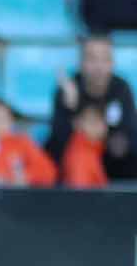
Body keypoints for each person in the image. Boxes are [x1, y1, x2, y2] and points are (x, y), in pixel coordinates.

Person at [45, 35, 134, 181]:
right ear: (81, 62)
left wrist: (100, 137)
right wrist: (71, 108)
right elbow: (58, 142)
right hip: (75, 166)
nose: (99, 66)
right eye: (92, 59)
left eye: (105, 59)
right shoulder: (67, 90)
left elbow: (127, 137)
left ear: (112, 62)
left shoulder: (121, 88)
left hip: (114, 166)